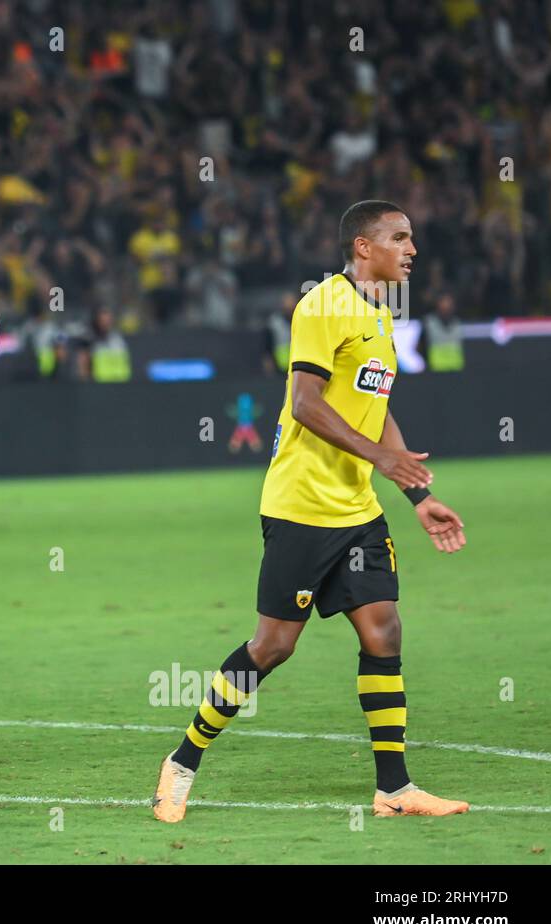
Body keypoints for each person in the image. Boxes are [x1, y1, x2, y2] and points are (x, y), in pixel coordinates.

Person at [152, 200, 470, 822]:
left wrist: (419, 495)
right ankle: (182, 760)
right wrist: (382, 458)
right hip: (301, 507)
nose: (411, 250)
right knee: (273, 646)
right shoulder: (325, 305)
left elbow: (376, 410)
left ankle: (394, 789)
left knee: (384, 632)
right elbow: (304, 403)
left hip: (357, 509)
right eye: (399, 238)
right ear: (363, 247)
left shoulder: (379, 317)